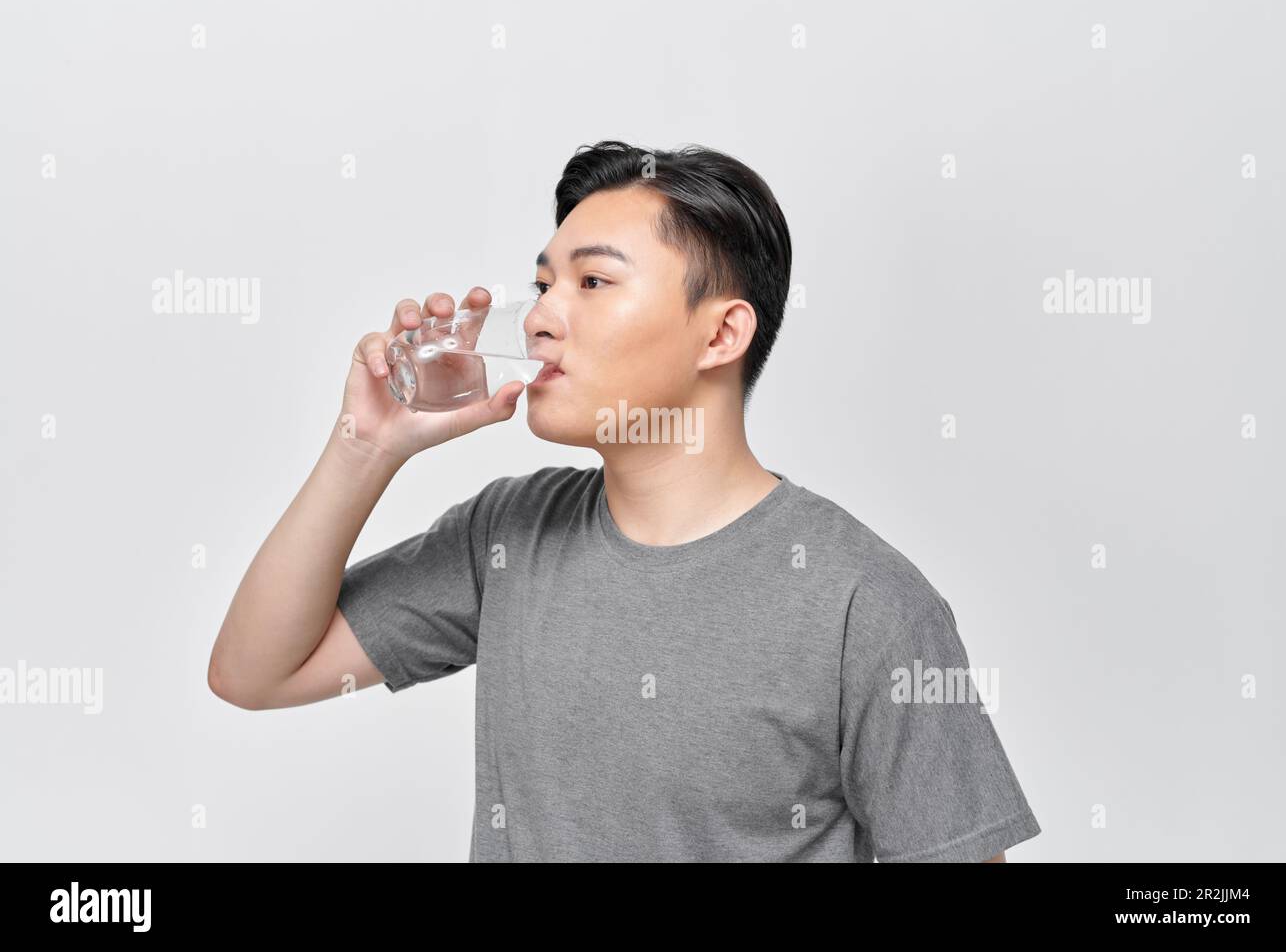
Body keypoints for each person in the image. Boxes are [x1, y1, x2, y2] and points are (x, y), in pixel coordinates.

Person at [209, 140, 1042, 862]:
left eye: (593, 282)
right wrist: (365, 446)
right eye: (541, 285)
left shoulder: (868, 603)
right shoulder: (509, 535)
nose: (538, 317)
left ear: (721, 335)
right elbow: (254, 673)